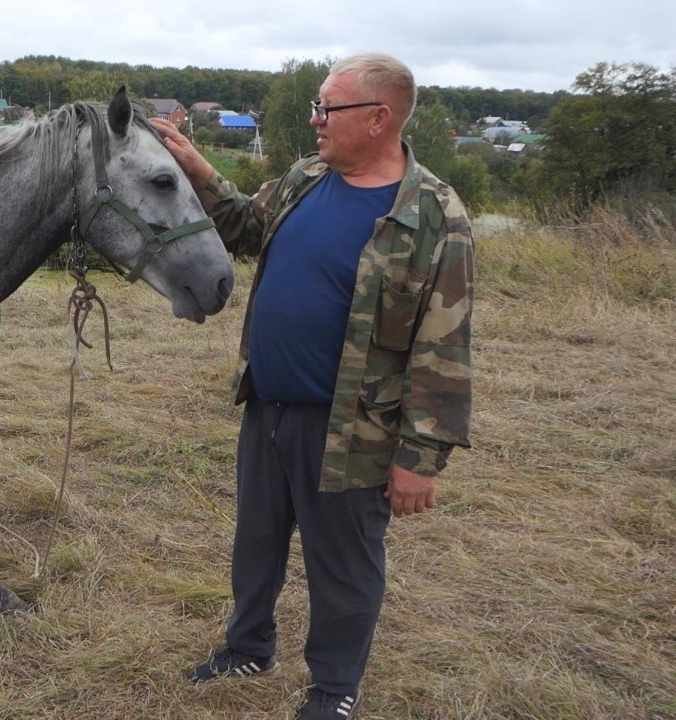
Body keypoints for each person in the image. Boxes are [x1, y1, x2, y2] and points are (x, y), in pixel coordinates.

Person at [152, 53, 473, 720]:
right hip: (267, 406)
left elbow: (443, 346)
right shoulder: (306, 178)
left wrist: (420, 459)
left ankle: (333, 689)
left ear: (379, 118)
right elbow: (243, 226)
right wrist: (196, 166)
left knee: (344, 569)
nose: (315, 119)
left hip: (353, 430)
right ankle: (249, 647)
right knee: (256, 545)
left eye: (329, 108)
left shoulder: (434, 216)